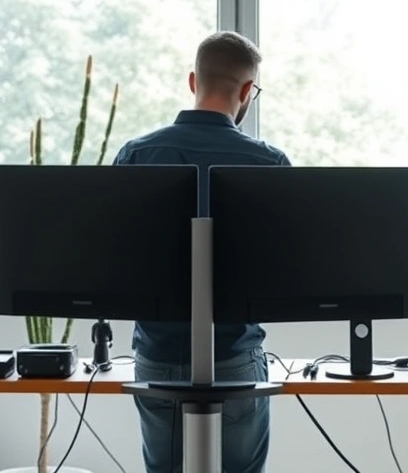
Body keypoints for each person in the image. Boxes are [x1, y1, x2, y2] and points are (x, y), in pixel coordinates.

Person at [112, 31, 291, 473]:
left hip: (156, 355)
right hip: (234, 356)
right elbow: (283, 273)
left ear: (193, 81)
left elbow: (116, 263)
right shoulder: (269, 164)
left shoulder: (136, 156)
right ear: (247, 91)